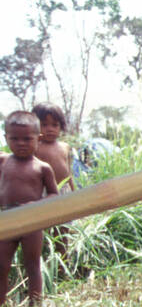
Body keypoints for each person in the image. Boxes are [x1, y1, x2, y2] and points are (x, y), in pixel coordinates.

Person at [0, 111, 59, 306]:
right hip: (7, 219)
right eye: (14, 138)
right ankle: (1, 305)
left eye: (27, 138)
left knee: (32, 264)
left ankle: (36, 304)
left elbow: (53, 195)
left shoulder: (42, 168)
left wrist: (36, 205)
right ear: (6, 138)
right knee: (1, 265)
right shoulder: (3, 161)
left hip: (32, 221)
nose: (21, 143)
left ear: (38, 139)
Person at [33, 102, 75, 257]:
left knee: (64, 230)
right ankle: (45, 259)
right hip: (44, 193)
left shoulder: (64, 146)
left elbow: (68, 172)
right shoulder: (35, 147)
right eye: (44, 124)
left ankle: (63, 261)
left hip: (64, 191)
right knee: (44, 230)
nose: (50, 129)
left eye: (54, 125)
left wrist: (74, 192)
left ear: (61, 127)